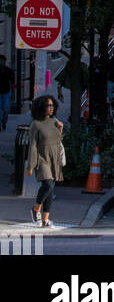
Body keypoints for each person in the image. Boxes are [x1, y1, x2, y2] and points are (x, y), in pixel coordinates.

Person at [26, 94, 64, 228]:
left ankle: (45, 220)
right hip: (42, 158)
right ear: (42, 107)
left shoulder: (54, 121)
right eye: (49, 105)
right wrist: (30, 165)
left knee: (51, 189)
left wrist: (60, 129)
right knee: (48, 184)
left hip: (54, 157)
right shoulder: (35, 124)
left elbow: (58, 141)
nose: (51, 108)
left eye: (53, 105)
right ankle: (36, 209)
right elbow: (32, 146)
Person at [0, 55, 14, 131]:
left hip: (6, 92)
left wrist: (13, 94)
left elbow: (12, 83)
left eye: (2, 60)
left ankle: (4, 122)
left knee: (6, 109)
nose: (1, 62)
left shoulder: (9, 71)